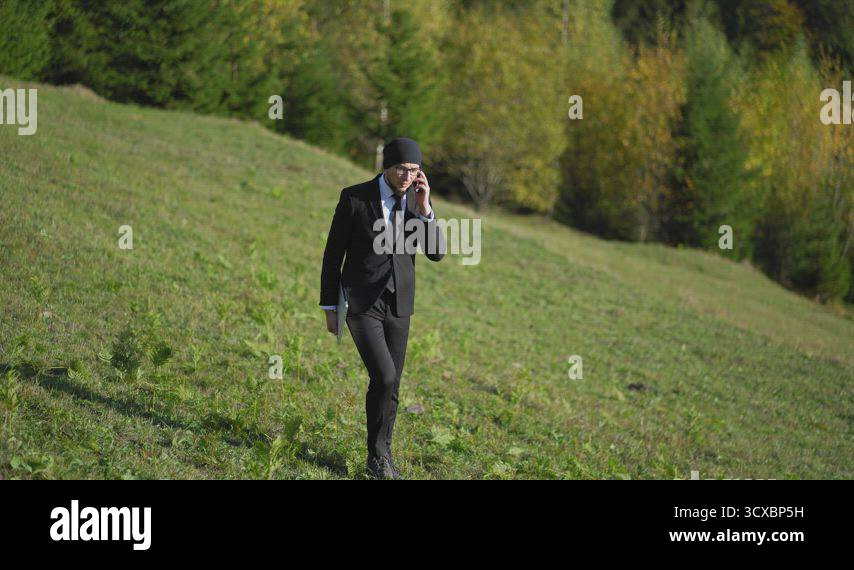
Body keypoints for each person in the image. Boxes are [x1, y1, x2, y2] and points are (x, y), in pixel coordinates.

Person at [319, 137, 446, 479]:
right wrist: (329, 305)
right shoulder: (355, 197)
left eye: (414, 170)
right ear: (386, 166)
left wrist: (426, 207)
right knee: (384, 376)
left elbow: (436, 252)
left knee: (393, 385)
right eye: (401, 169)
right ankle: (376, 456)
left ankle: (383, 454)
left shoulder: (416, 202)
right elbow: (333, 253)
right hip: (362, 302)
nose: (407, 176)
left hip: (400, 303)